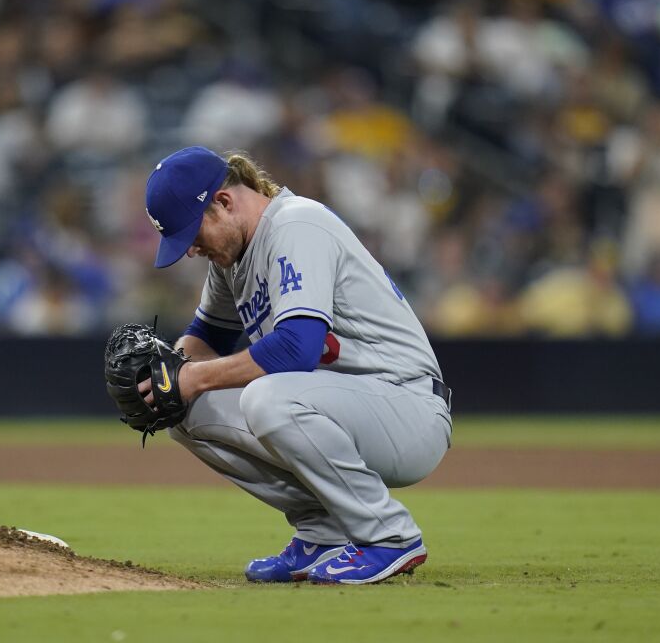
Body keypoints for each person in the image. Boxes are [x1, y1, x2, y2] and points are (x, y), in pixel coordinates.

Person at [142, 146, 452, 585]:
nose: (190, 249)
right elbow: (206, 337)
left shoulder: (296, 225)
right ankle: (322, 532)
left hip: (407, 407)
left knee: (268, 398)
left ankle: (389, 536)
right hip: (338, 405)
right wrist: (168, 374)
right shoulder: (232, 257)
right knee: (184, 412)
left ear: (224, 202)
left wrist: (193, 377)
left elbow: (296, 349)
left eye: (192, 232)